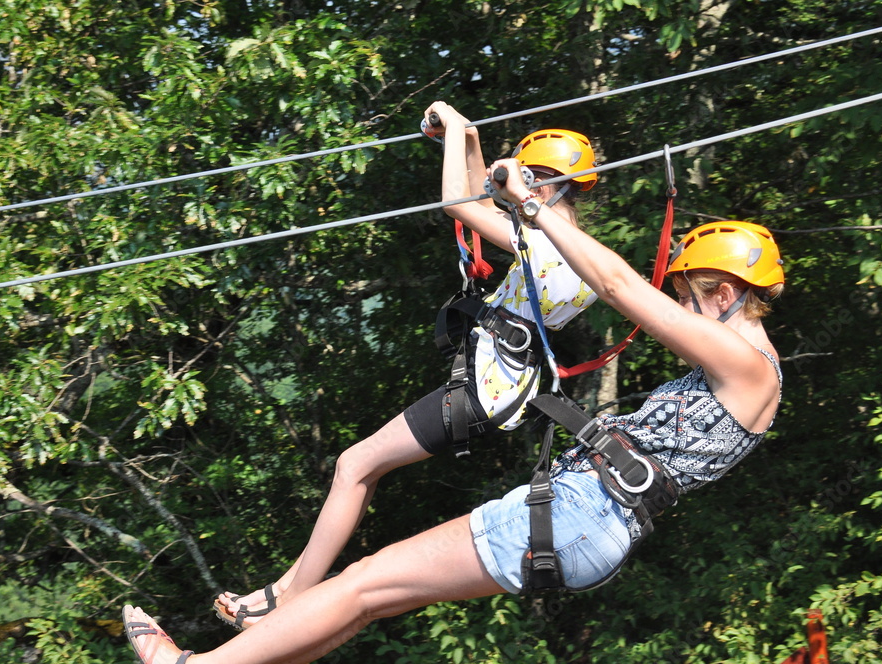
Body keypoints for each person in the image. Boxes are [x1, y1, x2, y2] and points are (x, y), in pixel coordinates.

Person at [122, 144, 786, 664]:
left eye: (689, 296)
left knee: (360, 582)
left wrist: (533, 205)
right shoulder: (751, 378)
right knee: (366, 601)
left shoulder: (748, 369)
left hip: (581, 512)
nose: (679, 311)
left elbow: (614, 282)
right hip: (590, 522)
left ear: (723, 292)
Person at [209, 102, 600, 629]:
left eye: (526, 178)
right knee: (364, 468)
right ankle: (284, 589)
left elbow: (457, 204)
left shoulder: (542, 240)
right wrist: (468, 138)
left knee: (353, 465)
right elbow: (484, 192)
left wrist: (460, 130)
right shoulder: (580, 248)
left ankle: (287, 603)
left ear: (545, 184)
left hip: (485, 390)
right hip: (499, 390)